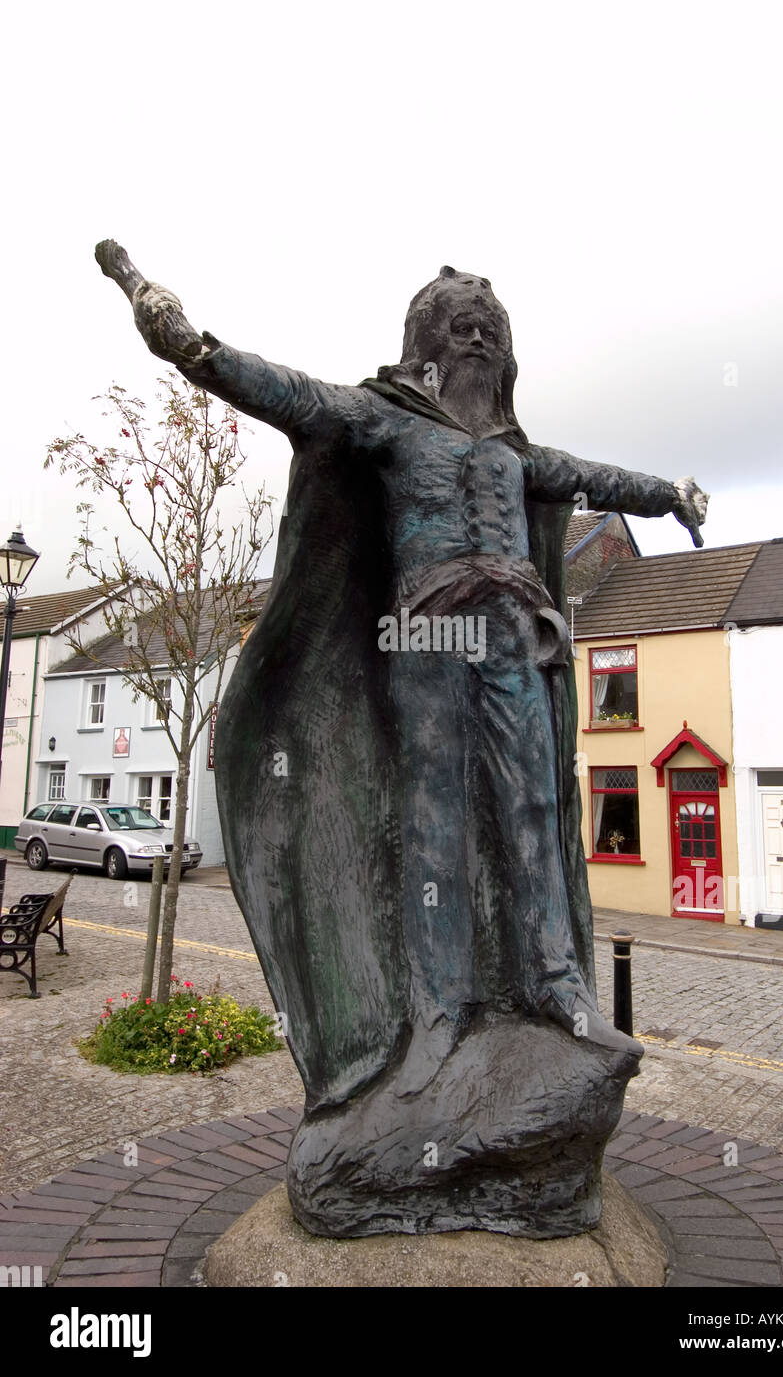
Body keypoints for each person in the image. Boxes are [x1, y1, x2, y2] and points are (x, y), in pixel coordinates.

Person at [97, 247, 708, 1110]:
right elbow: (290, 393)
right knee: (435, 826)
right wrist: (193, 350)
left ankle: (560, 993)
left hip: (513, 644)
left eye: (490, 326)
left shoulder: (514, 452)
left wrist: (671, 492)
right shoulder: (388, 422)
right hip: (426, 635)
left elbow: (600, 478)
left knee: (533, 809)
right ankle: (437, 1018)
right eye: (463, 323)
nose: (480, 335)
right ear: (427, 337)